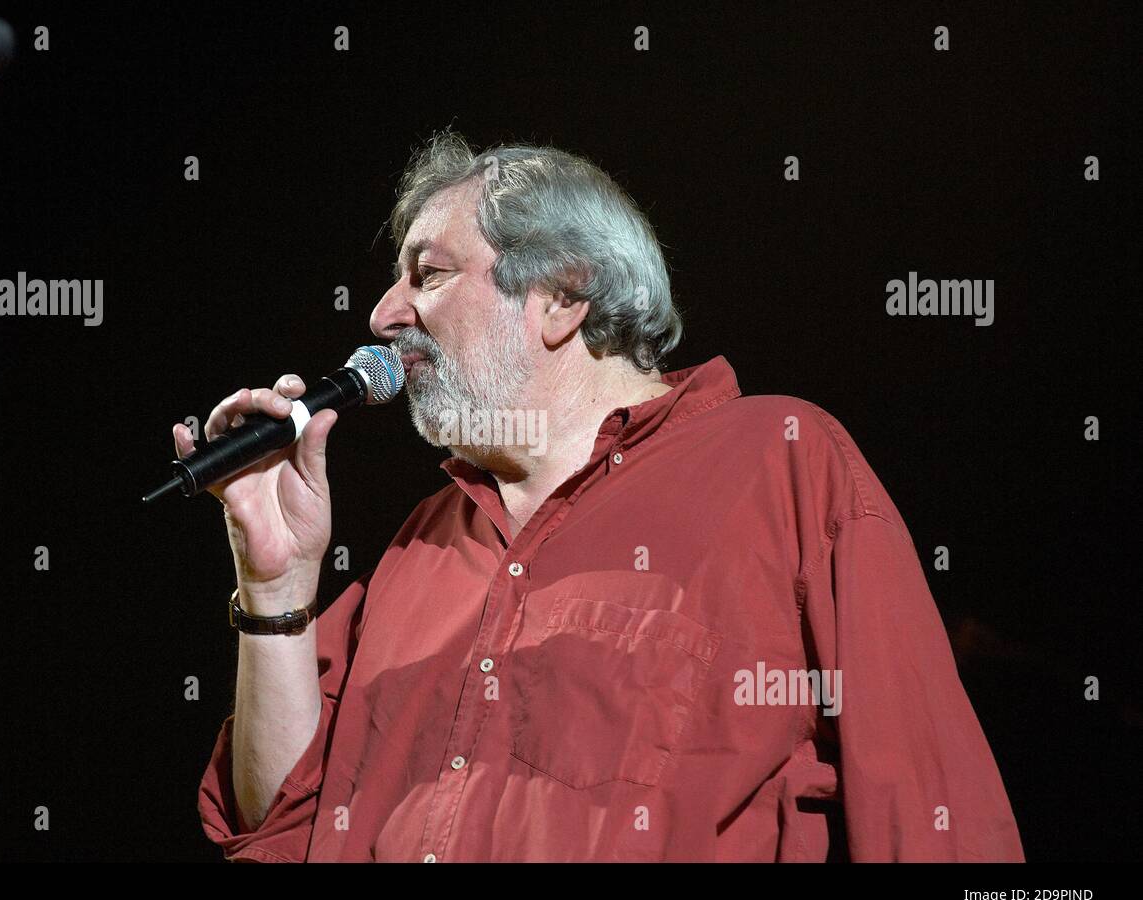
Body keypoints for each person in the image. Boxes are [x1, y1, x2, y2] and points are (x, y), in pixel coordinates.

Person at [186, 131, 1025, 862]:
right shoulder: (417, 548)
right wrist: (274, 588)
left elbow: (933, 812)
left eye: (428, 273)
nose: (380, 314)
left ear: (559, 295)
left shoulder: (781, 466)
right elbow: (276, 820)